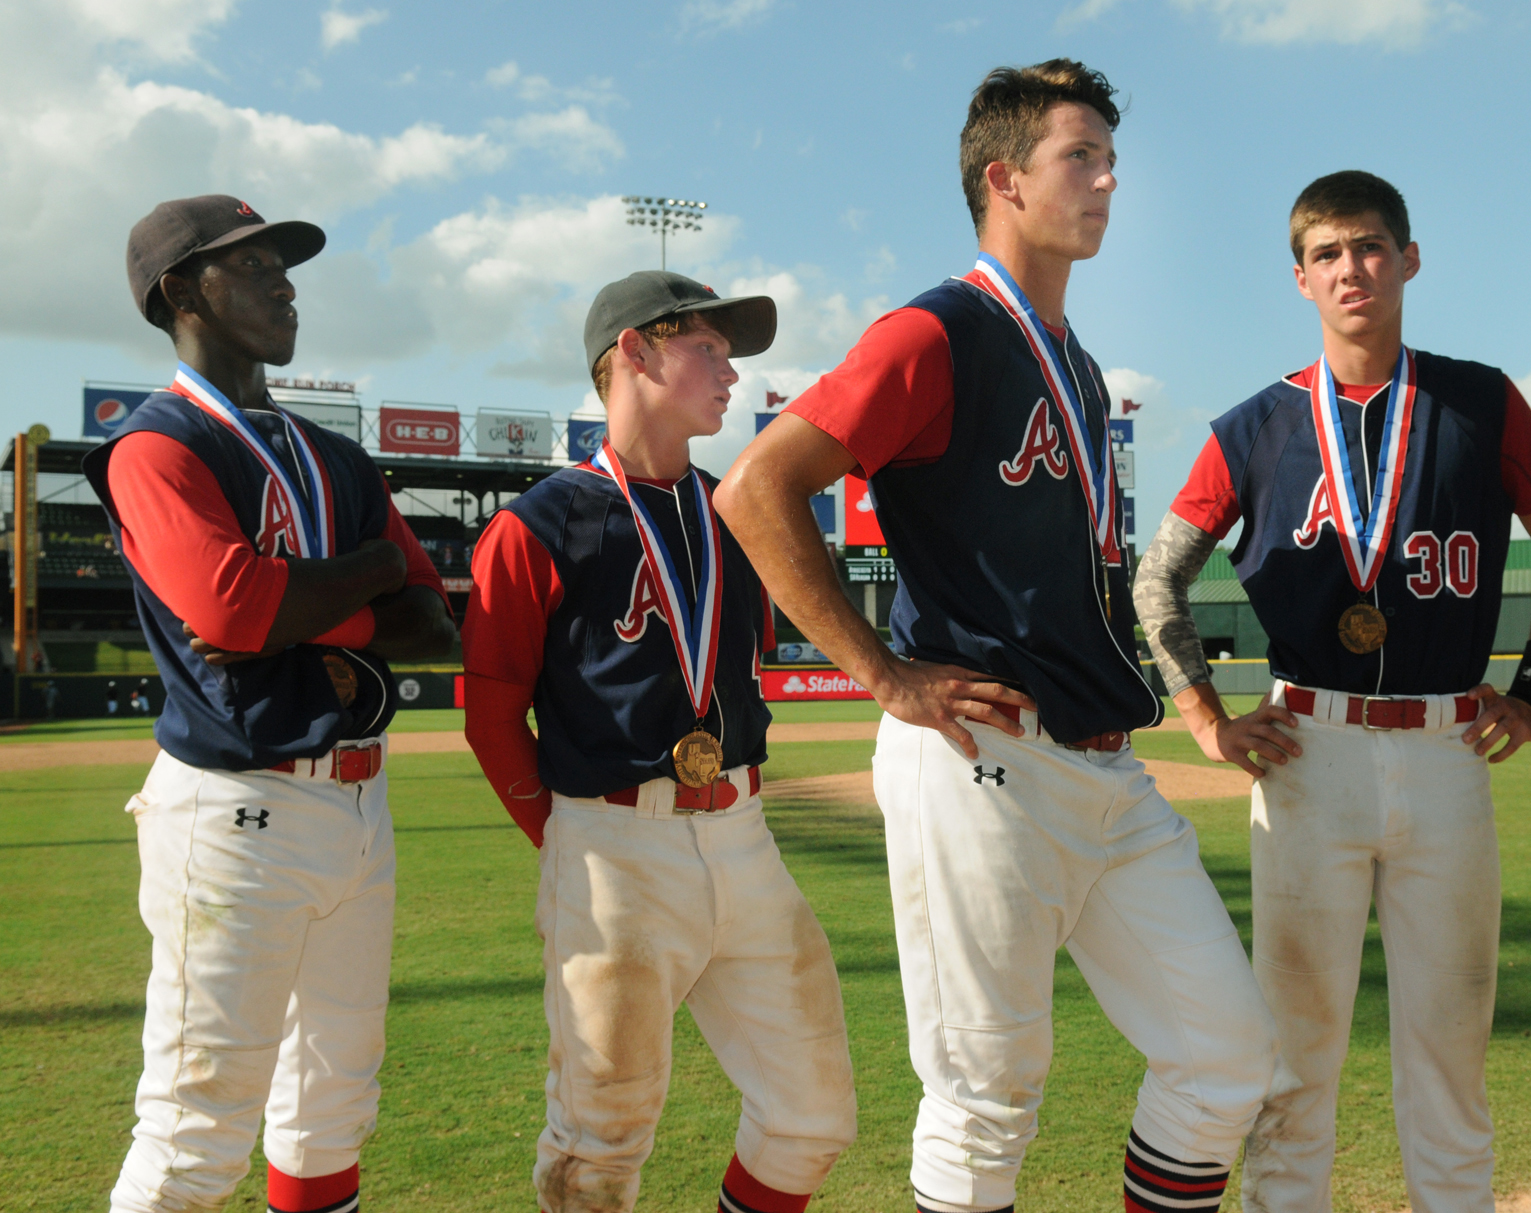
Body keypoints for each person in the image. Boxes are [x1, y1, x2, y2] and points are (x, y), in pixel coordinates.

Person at [716, 60, 1279, 1213]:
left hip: (1108, 773)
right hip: (985, 757)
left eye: (1110, 159)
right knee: (986, 1097)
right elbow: (758, 490)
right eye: (1081, 157)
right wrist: (879, 671)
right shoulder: (938, 330)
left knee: (1227, 1062)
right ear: (1003, 179)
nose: (1109, 180)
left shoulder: (1069, 358)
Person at [1133, 170, 1531, 1213]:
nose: (1353, 269)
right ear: (1300, 278)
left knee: (1450, 1054)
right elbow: (1157, 569)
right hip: (1308, 753)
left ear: (1410, 260)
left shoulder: (1482, 402)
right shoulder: (1255, 425)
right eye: (1329, 253)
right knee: (1297, 1057)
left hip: (1446, 751)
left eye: (1372, 247)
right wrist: (1204, 714)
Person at [84, 194, 456, 1213]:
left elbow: (434, 626)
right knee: (197, 1126)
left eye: (283, 266)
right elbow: (232, 608)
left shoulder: (332, 454)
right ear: (178, 293)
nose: (284, 284)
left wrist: (313, 599)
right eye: (249, 267)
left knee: (331, 1102)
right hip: (235, 812)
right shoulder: (154, 446)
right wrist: (371, 566)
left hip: (358, 806)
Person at [460, 271, 857, 1213]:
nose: (732, 374)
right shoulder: (535, 524)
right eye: (709, 348)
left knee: (812, 1116)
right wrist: (564, 838)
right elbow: (489, 713)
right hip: (615, 843)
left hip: (747, 836)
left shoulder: (740, 513)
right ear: (634, 350)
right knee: (602, 1142)